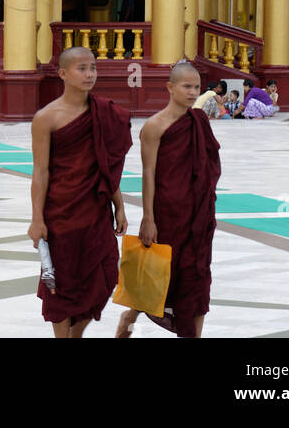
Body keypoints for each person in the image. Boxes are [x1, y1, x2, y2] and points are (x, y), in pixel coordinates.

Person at [28, 46, 132, 338]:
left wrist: (119, 206)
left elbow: (107, 165)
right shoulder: (46, 118)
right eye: (82, 68)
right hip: (60, 211)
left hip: (95, 209)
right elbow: (40, 172)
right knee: (60, 282)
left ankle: (77, 334)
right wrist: (37, 219)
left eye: (93, 68)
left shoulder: (103, 112)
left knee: (106, 275)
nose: (90, 74)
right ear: (63, 74)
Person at [116, 60, 221, 339]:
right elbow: (148, 174)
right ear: (170, 88)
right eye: (186, 86)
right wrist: (148, 218)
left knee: (195, 288)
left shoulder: (198, 122)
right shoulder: (154, 126)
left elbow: (208, 167)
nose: (192, 92)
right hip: (167, 217)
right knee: (145, 290)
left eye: (196, 87)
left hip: (196, 219)